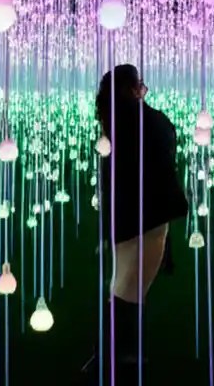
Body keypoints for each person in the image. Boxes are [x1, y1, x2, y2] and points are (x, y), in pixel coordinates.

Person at [81, 64, 189, 382]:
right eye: (140, 86)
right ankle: (115, 358)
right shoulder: (148, 121)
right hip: (148, 221)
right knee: (129, 291)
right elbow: (165, 160)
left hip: (124, 221)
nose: (143, 91)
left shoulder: (113, 124)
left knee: (123, 287)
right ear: (131, 89)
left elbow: (111, 181)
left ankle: (111, 355)